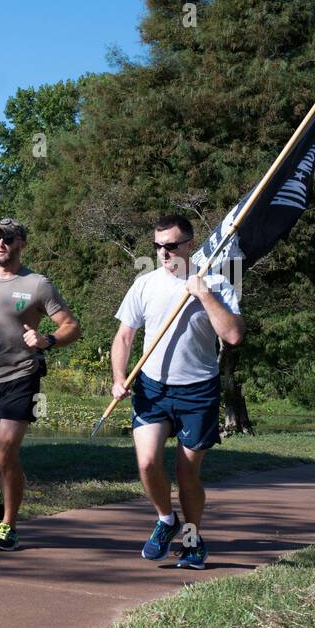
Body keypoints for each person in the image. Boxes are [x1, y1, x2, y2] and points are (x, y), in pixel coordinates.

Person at [109, 214, 244, 570]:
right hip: (152, 387)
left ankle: (193, 540)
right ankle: (165, 519)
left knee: (187, 474)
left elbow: (232, 336)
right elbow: (124, 336)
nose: (163, 253)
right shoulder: (145, 284)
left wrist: (204, 296)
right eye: (157, 246)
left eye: (170, 246)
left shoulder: (215, 283)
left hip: (198, 390)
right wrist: (118, 376)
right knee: (147, 462)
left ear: (189, 244)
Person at [0, 218, 80, 550]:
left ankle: (8, 526)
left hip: (22, 375)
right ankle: (13, 484)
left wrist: (47, 339)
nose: (0, 244)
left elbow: (71, 326)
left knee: (5, 451)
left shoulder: (37, 284)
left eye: (8, 238)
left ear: (21, 242)